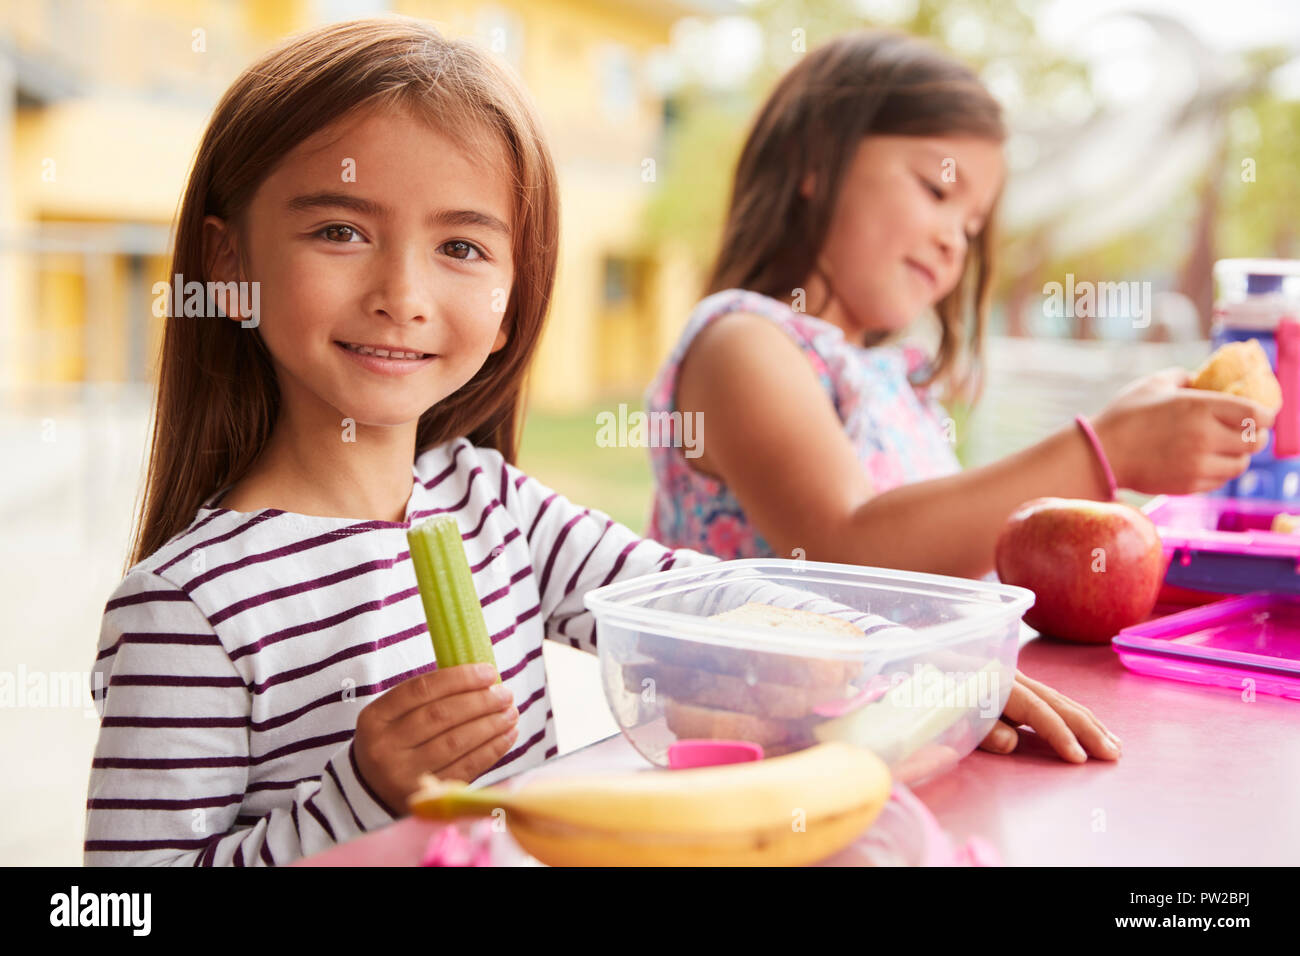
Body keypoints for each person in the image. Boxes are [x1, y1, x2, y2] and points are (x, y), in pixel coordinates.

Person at [84, 19, 1119, 867]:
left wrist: (913, 669)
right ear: (230, 260)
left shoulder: (494, 507)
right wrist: (361, 793)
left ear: (512, 293)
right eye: (340, 231)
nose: (402, 294)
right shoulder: (190, 608)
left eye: (459, 246)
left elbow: (695, 598)